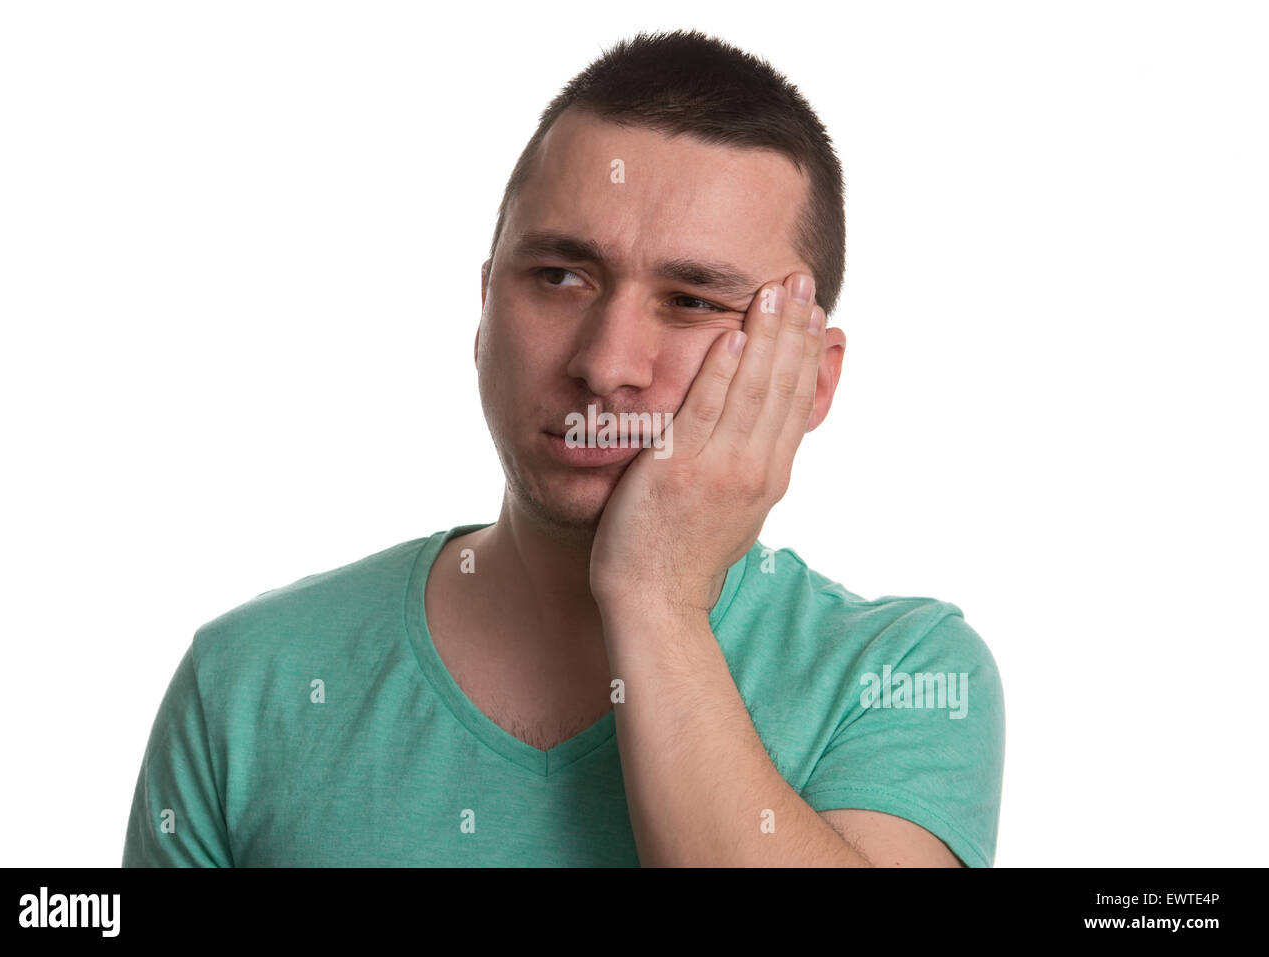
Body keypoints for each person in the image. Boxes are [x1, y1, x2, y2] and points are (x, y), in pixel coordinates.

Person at [122, 28, 1004, 868]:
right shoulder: (244, 684)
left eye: (694, 300)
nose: (606, 365)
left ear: (809, 378)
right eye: (559, 277)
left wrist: (655, 595)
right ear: (482, 307)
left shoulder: (902, 674)